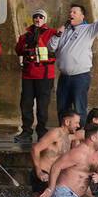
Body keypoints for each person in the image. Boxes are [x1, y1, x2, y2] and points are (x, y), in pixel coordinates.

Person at [50, 4, 98, 122]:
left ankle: (80, 136)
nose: (71, 14)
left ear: (82, 16)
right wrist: (58, 34)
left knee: (79, 108)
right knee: (62, 108)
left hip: (80, 77)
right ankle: (63, 136)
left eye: (74, 12)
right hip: (64, 77)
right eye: (70, 12)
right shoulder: (64, 30)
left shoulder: (88, 29)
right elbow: (51, 48)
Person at [14, 9, 59, 143]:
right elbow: (19, 50)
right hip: (28, 75)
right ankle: (26, 131)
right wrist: (25, 40)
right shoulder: (26, 35)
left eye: (41, 17)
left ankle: (42, 131)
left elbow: (57, 45)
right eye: (35, 17)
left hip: (45, 75)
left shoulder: (51, 33)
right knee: (26, 104)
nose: (38, 19)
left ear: (45, 19)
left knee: (42, 105)